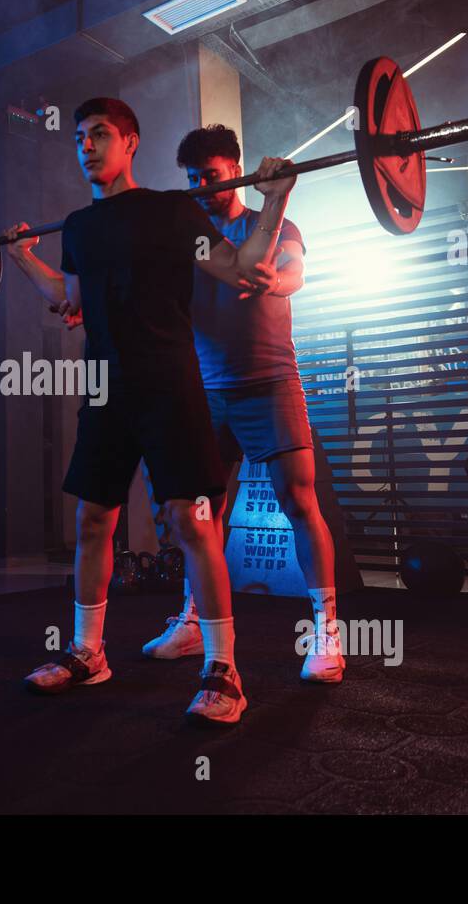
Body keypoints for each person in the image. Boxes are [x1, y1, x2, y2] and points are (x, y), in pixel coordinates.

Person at [4, 97, 293, 726]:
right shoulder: (79, 226)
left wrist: (275, 200)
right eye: (79, 137)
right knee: (90, 521)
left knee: (192, 523)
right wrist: (24, 257)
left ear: (130, 142)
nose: (86, 146)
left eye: (100, 134)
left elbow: (243, 269)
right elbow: (70, 300)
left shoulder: (173, 211)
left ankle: (223, 671)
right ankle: (88, 653)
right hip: (107, 386)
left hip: (169, 383)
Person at [139, 124, 344, 683]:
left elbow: (296, 272)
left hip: (269, 382)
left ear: (238, 169)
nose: (203, 186)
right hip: (204, 390)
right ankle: (192, 621)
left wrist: (273, 280)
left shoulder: (269, 225)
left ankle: (326, 632)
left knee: (299, 500)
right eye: (193, 179)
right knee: (204, 514)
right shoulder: (192, 239)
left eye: (212, 175)